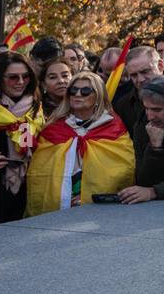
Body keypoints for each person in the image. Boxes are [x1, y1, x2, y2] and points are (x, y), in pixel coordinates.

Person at [26, 69, 135, 215]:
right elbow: (40, 170)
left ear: (98, 96)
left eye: (85, 91)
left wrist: (85, 197)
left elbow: (122, 170)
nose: (77, 94)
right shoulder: (53, 128)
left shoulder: (114, 127)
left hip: (102, 211)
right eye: (73, 90)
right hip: (58, 208)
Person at [0, 51, 45, 226]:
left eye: (26, 76)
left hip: (29, 186)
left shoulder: (36, 108)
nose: (20, 82)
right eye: (13, 77)